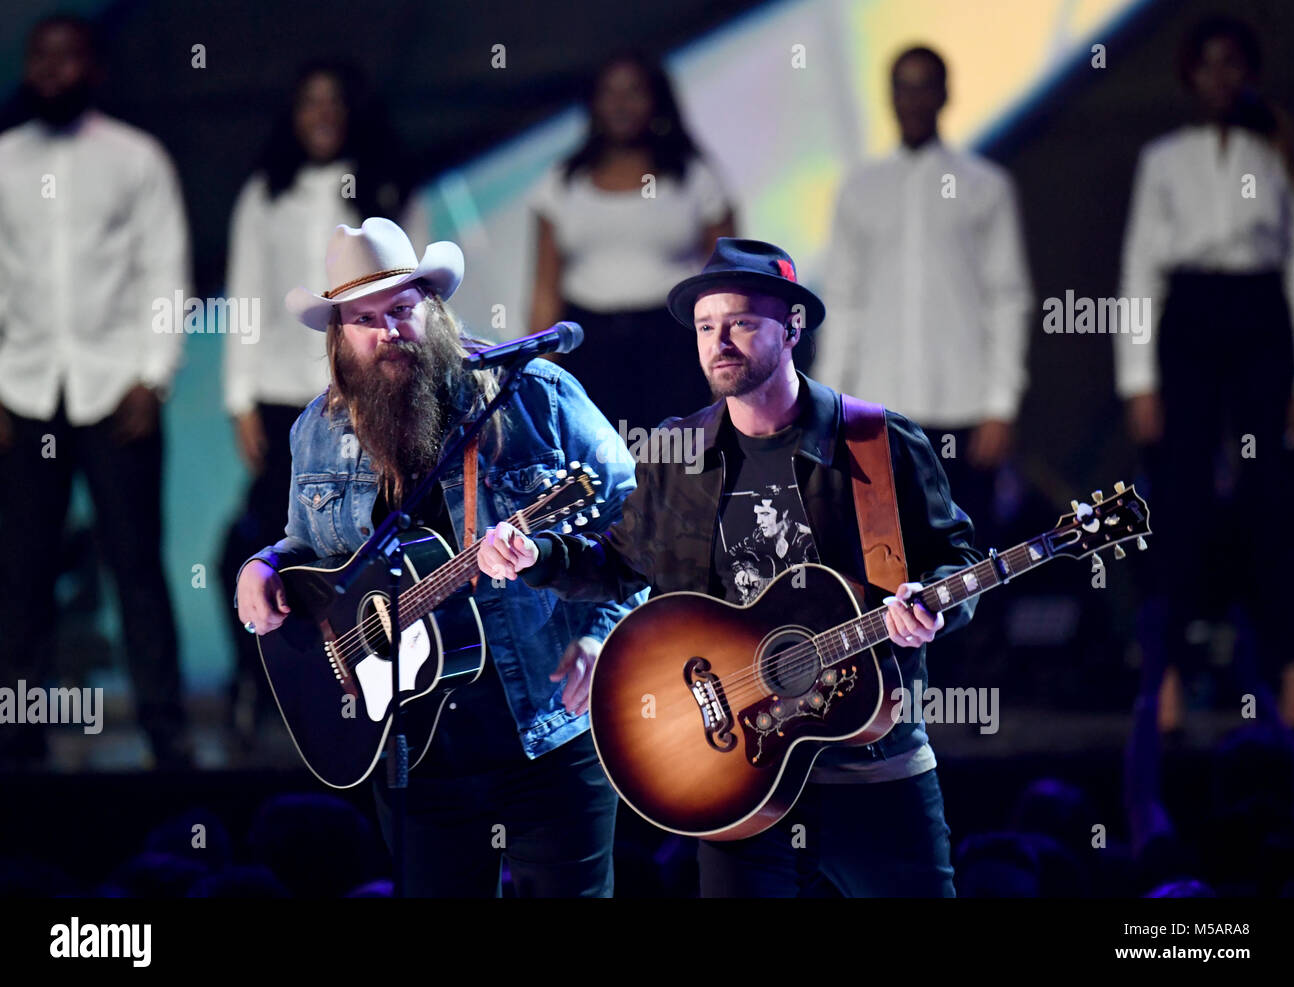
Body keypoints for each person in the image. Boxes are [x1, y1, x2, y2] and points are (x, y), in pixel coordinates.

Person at [480, 238, 983, 896]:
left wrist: (930, 607)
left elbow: (958, 560)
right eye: (706, 327)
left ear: (792, 327)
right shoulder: (677, 453)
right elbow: (617, 564)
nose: (720, 342)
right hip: (737, 775)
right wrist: (536, 555)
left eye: (742, 322)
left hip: (873, 764)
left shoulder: (876, 442)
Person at [235, 217, 643, 896]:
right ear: (339, 336)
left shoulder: (531, 395)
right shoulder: (318, 430)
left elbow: (639, 524)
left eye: (402, 308)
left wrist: (609, 637)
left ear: (435, 308)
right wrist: (267, 565)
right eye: (365, 318)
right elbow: (312, 552)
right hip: (413, 751)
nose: (388, 330)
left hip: (545, 728)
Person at [0, 15, 190, 769]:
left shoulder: (135, 157)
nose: (50, 71)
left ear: (94, 69)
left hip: (117, 392)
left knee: (136, 567)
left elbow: (164, 270)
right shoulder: (4, 159)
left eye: (66, 58)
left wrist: (154, 375)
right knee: (19, 573)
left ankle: (166, 733)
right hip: (21, 390)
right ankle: (18, 741)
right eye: (38, 59)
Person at [220, 59, 425, 748]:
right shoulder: (265, 193)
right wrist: (239, 395)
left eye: (334, 102)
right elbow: (245, 291)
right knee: (277, 547)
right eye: (309, 102)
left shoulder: (389, 184)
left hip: (380, 390)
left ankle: (380, 685)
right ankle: (275, 684)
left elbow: (417, 288)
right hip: (286, 393)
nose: (322, 114)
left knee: (369, 542)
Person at [1115, 14, 1294, 731]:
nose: (1219, 76)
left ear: (1247, 73)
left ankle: (1289, 667)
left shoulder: (1278, 148)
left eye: (1233, 63)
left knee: (1275, 497)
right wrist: (1139, 380)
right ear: (1189, 75)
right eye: (1207, 64)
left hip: (1260, 317)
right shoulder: (1164, 158)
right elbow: (1138, 268)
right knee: (1180, 500)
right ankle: (1166, 674)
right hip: (1190, 317)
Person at [818, 45, 1031, 553]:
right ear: (889, 96)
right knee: (883, 561)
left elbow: (1009, 298)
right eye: (902, 86)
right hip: (875, 411)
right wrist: (826, 404)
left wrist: (1000, 405)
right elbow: (842, 301)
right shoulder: (860, 187)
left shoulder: (986, 186)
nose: (913, 99)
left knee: (965, 559)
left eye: (924, 85)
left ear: (945, 94)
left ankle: (973, 637)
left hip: (961, 404)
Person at [527, 50, 736, 434]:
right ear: (592, 103)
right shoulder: (560, 185)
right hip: (589, 349)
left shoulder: (695, 178)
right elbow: (544, 294)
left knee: (681, 466)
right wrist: (538, 379)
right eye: (609, 93)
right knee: (602, 471)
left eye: (634, 92)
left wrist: (728, 366)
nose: (621, 105)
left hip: (674, 346)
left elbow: (727, 282)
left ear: (657, 100)